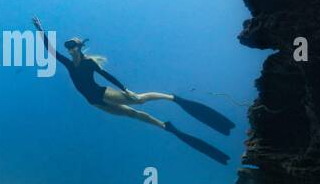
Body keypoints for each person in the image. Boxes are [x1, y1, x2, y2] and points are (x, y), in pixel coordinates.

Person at [32, 18, 233, 165]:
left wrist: (126, 90)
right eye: (67, 45)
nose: (68, 47)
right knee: (133, 115)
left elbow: (108, 77)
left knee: (138, 102)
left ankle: (172, 98)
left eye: (72, 44)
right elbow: (51, 51)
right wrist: (40, 30)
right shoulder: (68, 63)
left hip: (102, 93)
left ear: (79, 46)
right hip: (94, 102)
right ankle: (166, 126)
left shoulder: (89, 63)